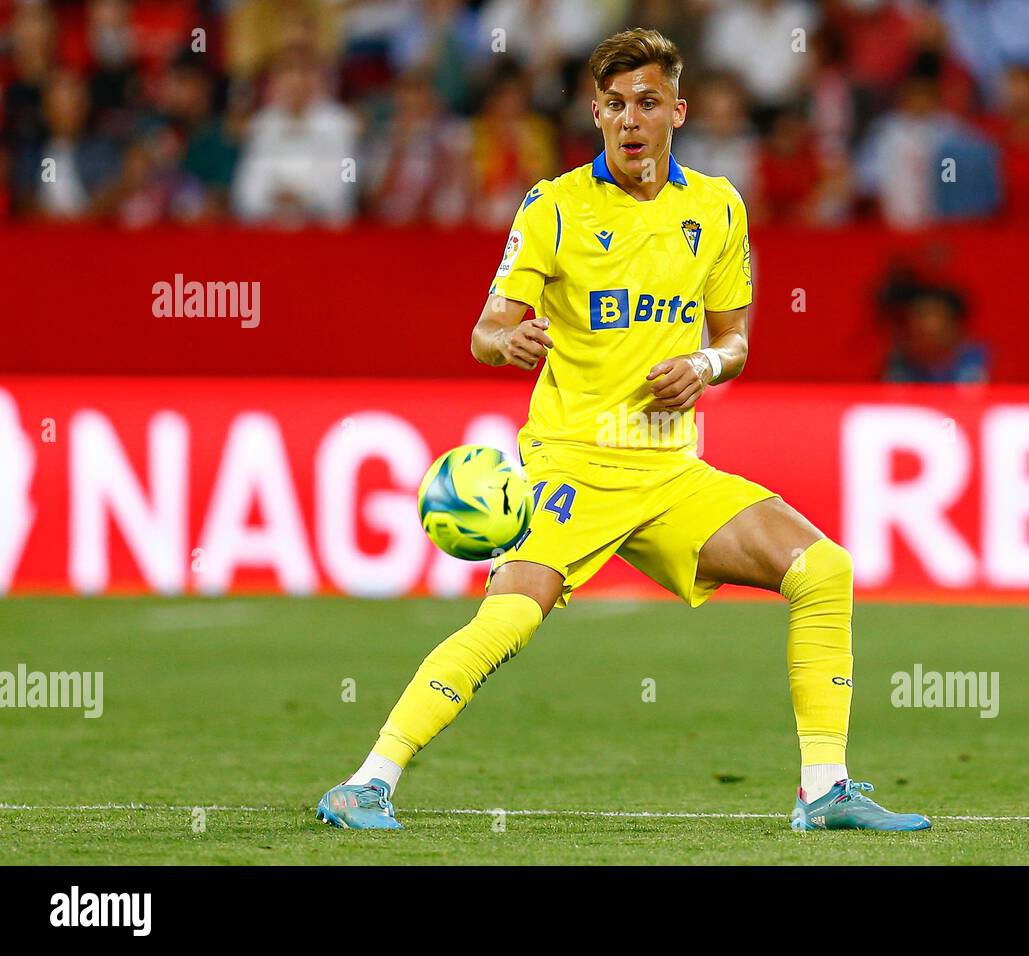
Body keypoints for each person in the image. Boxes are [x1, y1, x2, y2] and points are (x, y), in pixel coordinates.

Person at [317, 27, 931, 834]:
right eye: (614, 105)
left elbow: (736, 340)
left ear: (677, 110)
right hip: (573, 463)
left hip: (671, 472)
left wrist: (705, 368)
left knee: (823, 570)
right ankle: (367, 782)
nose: (630, 119)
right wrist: (511, 340)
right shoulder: (556, 206)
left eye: (647, 103)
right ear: (595, 114)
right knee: (509, 617)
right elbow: (485, 329)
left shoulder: (716, 207)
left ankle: (824, 791)